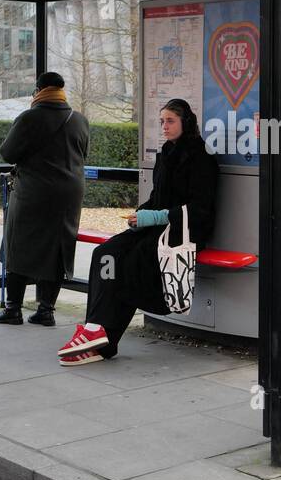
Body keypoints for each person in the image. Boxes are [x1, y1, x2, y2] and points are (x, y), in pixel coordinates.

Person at [58, 98, 218, 365]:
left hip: (184, 231)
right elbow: (157, 197)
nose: (164, 127)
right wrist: (140, 214)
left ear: (185, 122)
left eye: (170, 121)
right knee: (105, 253)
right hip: (156, 227)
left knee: (130, 264)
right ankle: (95, 328)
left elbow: (201, 210)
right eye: (162, 121)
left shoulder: (202, 157)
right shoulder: (165, 153)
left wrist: (156, 216)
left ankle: (104, 339)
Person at [0, 71, 90, 327]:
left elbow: (7, 153)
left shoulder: (29, 118)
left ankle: (13, 309)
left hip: (33, 193)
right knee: (58, 249)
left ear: (38, 90)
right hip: (68, 195)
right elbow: (84, 153)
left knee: (18, 244)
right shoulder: (78, 119)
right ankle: (46, 311)